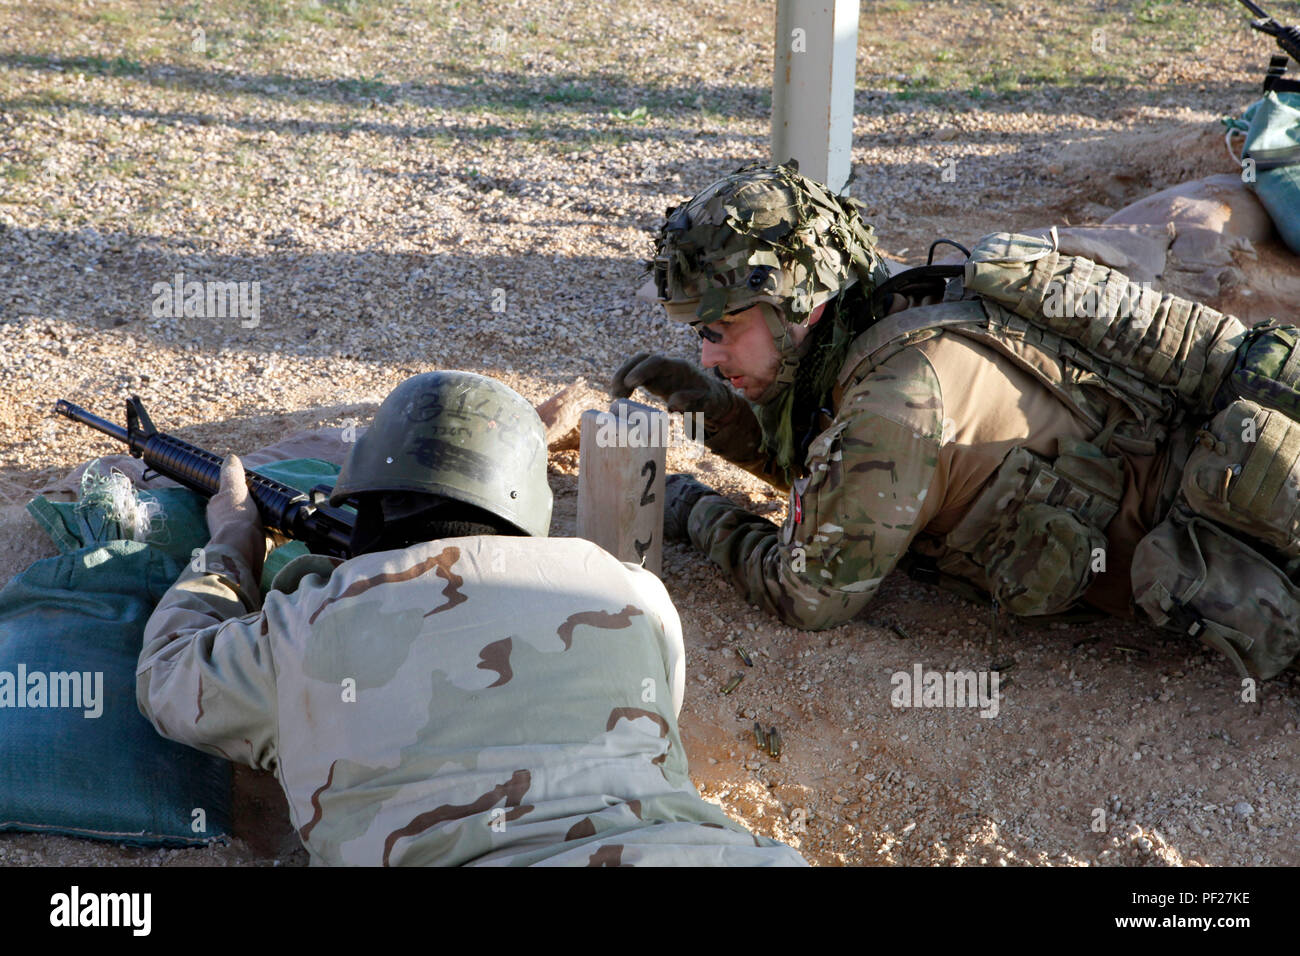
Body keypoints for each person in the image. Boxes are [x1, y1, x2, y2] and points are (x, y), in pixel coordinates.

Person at [612, 160, 1300, 680]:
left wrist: (693, 509)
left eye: (723, 328)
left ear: (801, 307)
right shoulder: (888, 301)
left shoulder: (897, 398)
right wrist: (716, 411)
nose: (708, 349)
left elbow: (810, 593)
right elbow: (841, 471)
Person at [137, 370, 806, 866]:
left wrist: (230, 542)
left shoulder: (308, 624)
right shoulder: (634, 592)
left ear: (368, 496)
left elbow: (167, 679)